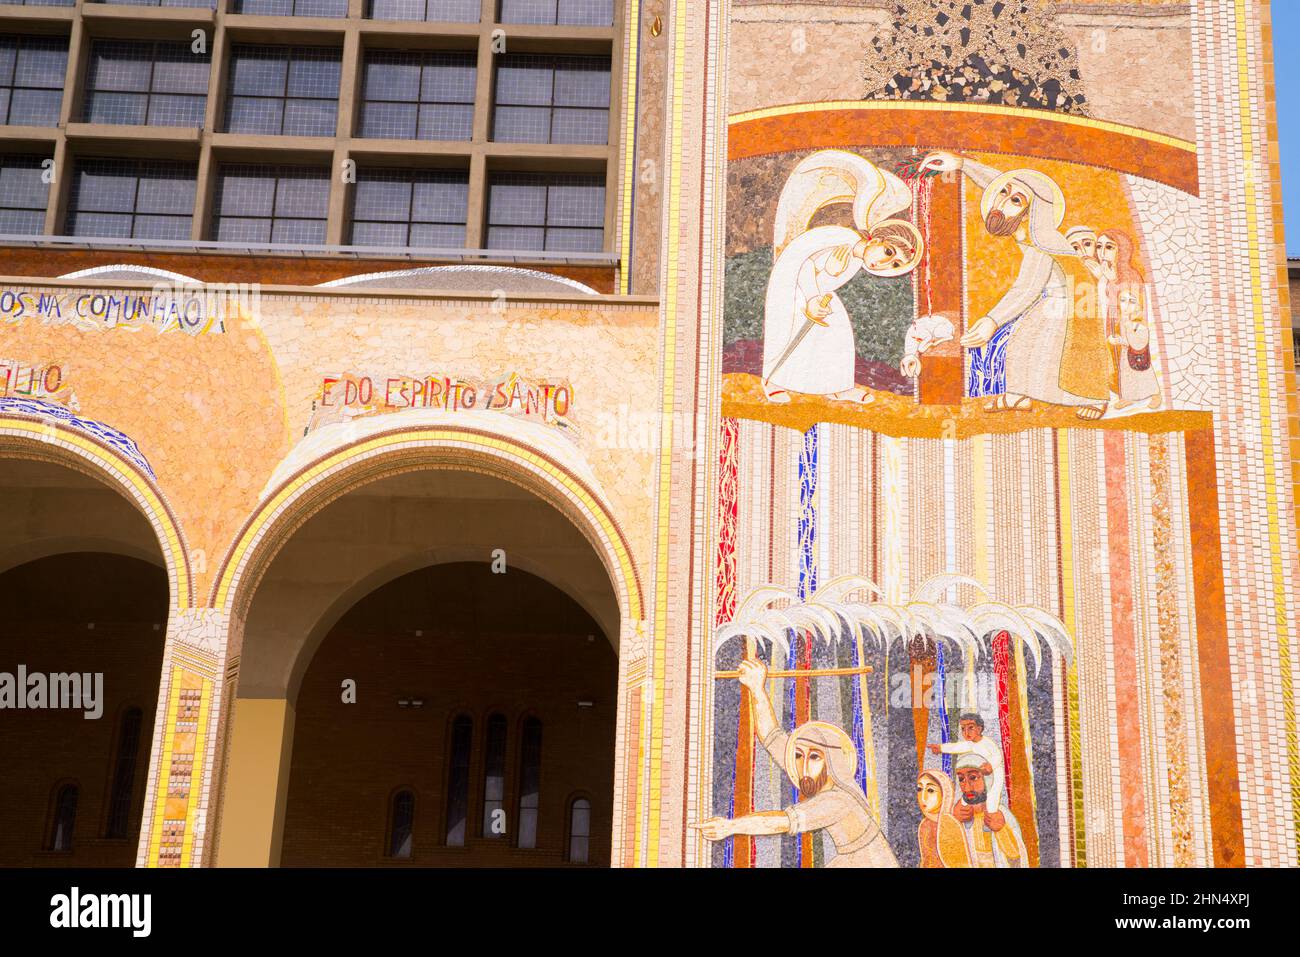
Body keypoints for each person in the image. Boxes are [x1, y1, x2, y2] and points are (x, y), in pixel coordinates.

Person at [921, 151, 1112, 420]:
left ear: (1029, 213)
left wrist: (992, 320)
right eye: (1003, 195)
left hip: (1074, 301)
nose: (1001, 204)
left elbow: (1027, 287)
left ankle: (1093, 398)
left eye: (1015, 201)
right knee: (1023, 341)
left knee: (1062, 349)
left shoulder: (1041, 240)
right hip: (1055, 298)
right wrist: (962, 165)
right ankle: (1018, 395)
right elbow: (1000, 181)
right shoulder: (1027, 227)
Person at [693, 657, 899, 867]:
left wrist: (730, 827)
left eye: (815, 757)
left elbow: (782, 822)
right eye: (798, 756)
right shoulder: (820, 779)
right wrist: (757, 689)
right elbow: (770, 736)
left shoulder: (839, 800)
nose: (804, 766)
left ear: (832, 762)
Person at [762, 150, 925, 404]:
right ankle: (773, 380)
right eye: (889, 252)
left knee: (838, 327)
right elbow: (799, 260)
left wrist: (824, 279)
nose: (884, 263)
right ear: (878, 239)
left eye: (893, 264)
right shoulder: (841, 238)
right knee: (789, 325)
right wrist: (814, 293)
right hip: (791, 284)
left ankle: (837, 386)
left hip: (815, 289)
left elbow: (825, 279)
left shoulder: (856, 260)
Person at [952, 752, 1029, 868]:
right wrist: (954, 822)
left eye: (973, 778)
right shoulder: (958, 814)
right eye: (961, 779)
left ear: (987, 779)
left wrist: (1002, 830)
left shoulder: (1002, 814)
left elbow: (1018, 860)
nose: (967, 787)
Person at [927, 712, 1006, 823]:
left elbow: (998, 755)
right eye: (963, 729)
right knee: (967, 798)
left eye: (970, 728)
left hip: (995, 774)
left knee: (992, 798)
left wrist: (991, 766)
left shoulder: (987, 743)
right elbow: (957, 747)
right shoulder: (970, 744)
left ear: (979, 729)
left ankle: (990, 819)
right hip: (979, 775)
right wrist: (940, 748)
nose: (966, 732)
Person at [916, 768, 971, 867]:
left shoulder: (949, 824)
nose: (923, 797)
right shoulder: (924, 824)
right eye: (919, 789)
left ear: (944, 794)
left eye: (930, 790)